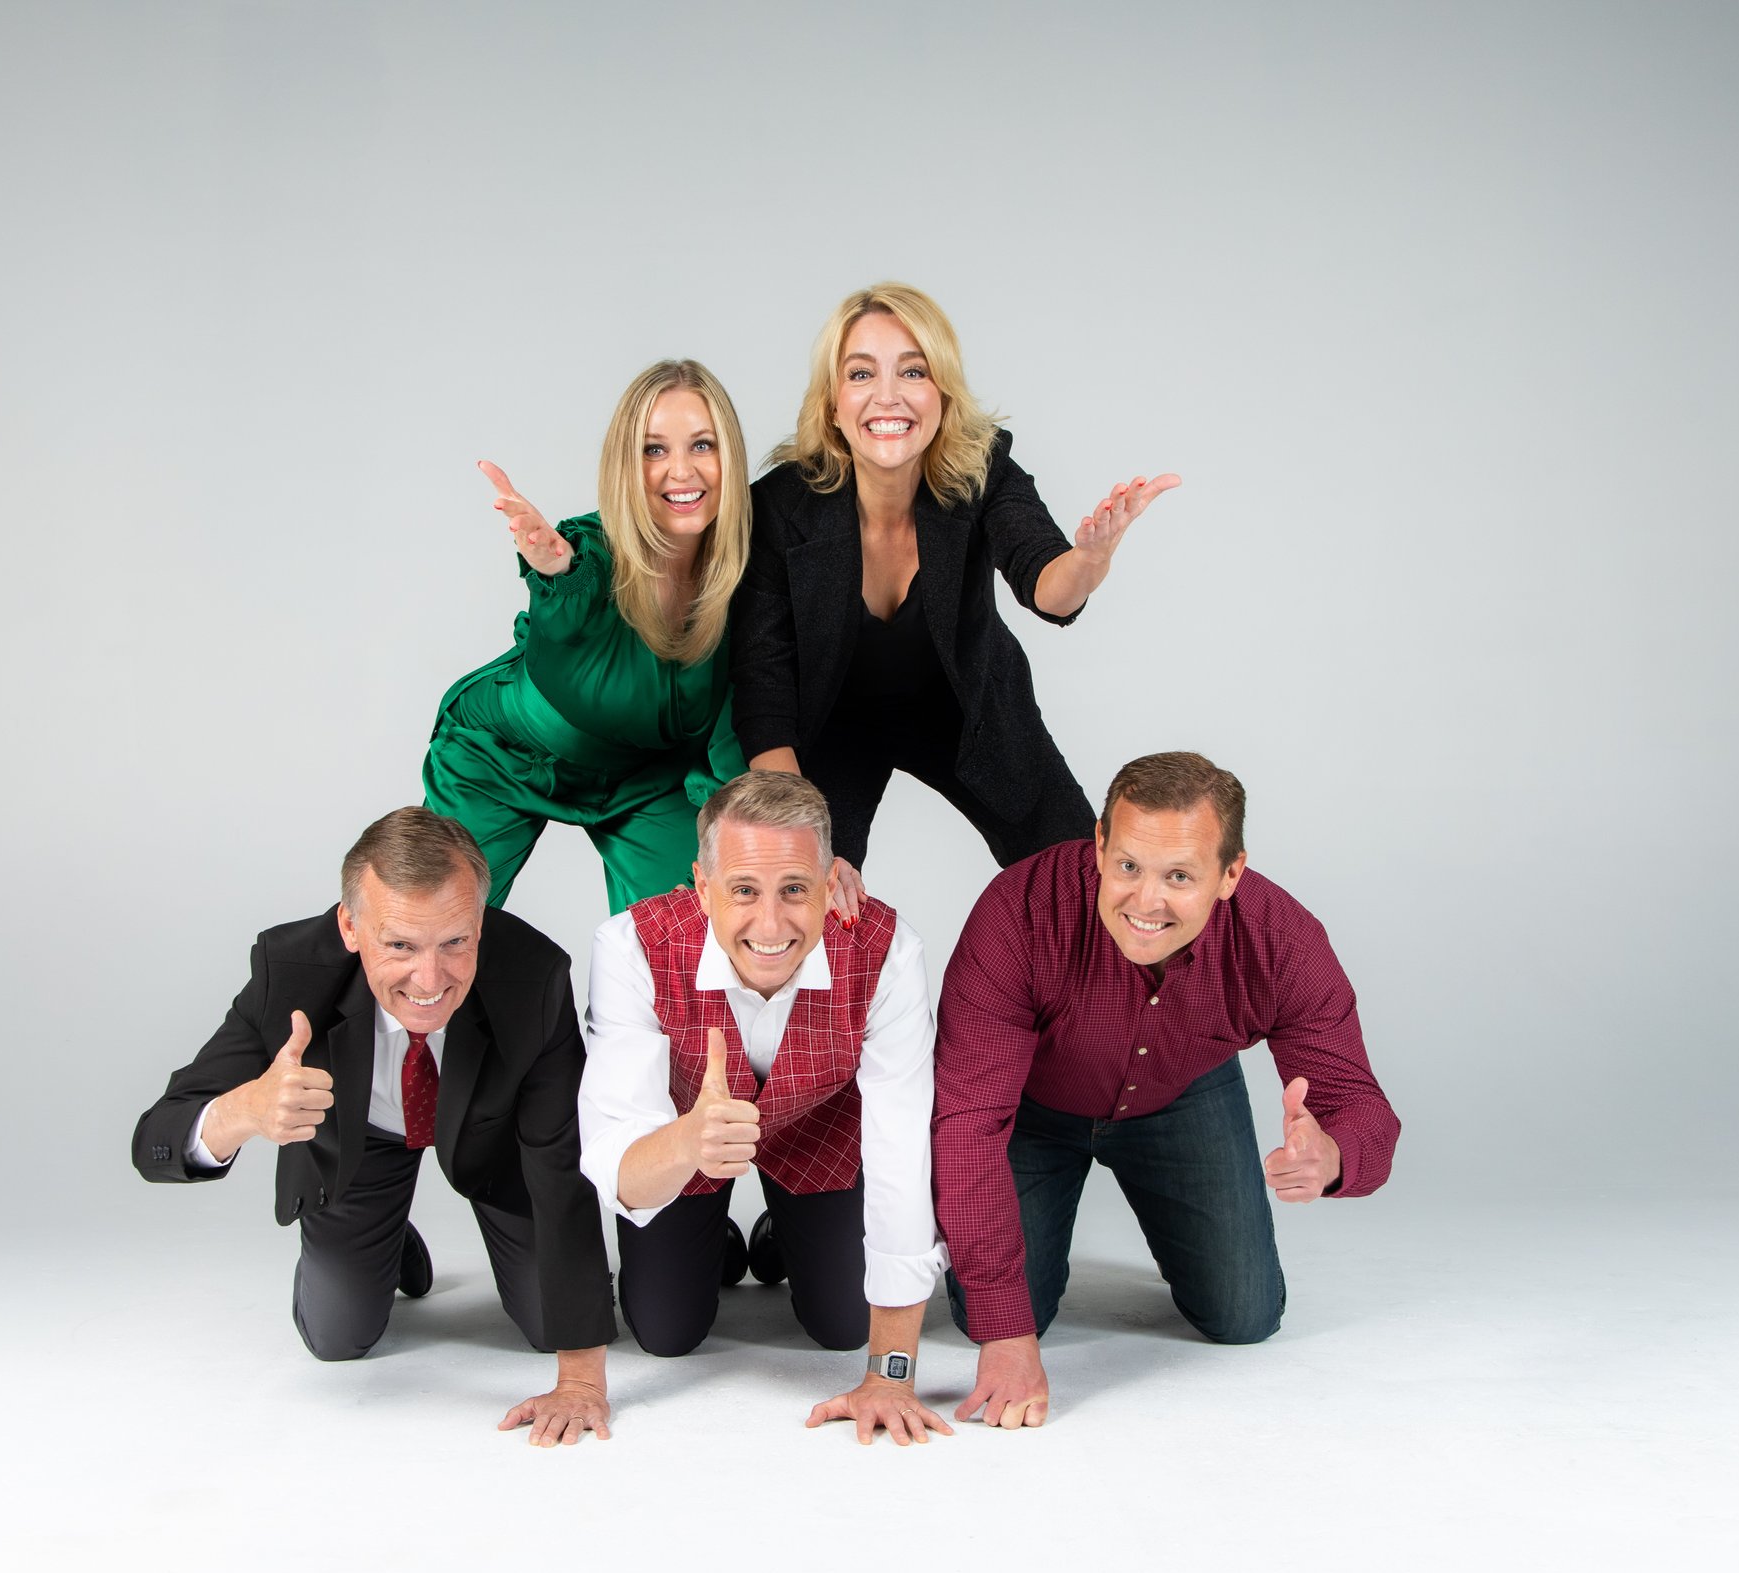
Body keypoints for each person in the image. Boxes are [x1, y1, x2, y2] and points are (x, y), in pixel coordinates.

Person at [929, 752, 1402, 1428]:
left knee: (1246, 1316)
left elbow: (1359, 1103)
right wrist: (1007, 1335)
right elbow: (968, 1123)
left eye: (1179, 875)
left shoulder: (1283, 941)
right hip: (1031, 1106)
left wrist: (1333, 1156)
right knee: (988, 1312)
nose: (1145, 901)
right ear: (1099, 845)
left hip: (1182, 1092)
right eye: (1128, 866)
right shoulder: (1018, 912)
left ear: (1230, 873)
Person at [130, 808, 619, 1446]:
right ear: (350, 927)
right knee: (336, 1338)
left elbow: (560, 1166)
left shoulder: (534, 975)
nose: (430, 979)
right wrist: (244, 1110)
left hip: (491, 1143)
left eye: (455, 942)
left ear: (480, 922)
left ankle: (388, 1238)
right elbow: (156, 1138)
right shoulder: (290, 969)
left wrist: (581, 1379)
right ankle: (385, 1239)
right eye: (400, 946)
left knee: (549, 1326)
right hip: (359, 1143)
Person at [730, 281, 1180, 890]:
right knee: (803, 888)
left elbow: (1047, 583)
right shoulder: (777, 508)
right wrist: (798, 839)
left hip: (967, 710)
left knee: (1081, 881)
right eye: (860, 374)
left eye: (912, 371)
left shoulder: (982, 470)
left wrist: (1090, 559)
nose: (887, 396)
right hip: (832, 725)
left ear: (941, 393)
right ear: (832, 404)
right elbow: (764, 694)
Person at [577, 772, 953, 1445]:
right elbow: (613, 1157)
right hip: (687, 1145)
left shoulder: (888, 951)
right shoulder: (632, 945)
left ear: (831, 881)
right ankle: (715, 1235)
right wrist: (688, 1140)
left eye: (795, 890)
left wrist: (892, 1373)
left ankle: (788, 1231)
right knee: (665, 1332)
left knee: (845, 1325)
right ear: (702, 886)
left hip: (821, 1137)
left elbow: (902, 1152)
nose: (771, 923)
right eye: (744, 890)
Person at [422, 359, 753, 915]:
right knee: (430, 925)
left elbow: (735, 717)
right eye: (654, 450)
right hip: (502, 758)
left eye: (702, 445)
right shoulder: (592, 551)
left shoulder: (745, 574)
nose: (681, 471)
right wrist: (557, 570)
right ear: (626, 464)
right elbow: (569, 595)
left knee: (698, 926)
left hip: (646, 778)